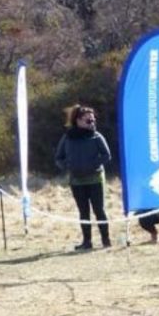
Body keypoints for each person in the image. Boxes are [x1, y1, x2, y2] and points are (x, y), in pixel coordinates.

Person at [55, 104, 112, 251]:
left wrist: (93, 165)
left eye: (93, 120)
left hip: (95, 178)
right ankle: (87, 242)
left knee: (99, 210)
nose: (92, 123)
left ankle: (106, 240)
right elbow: (58, 158)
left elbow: (107, 155)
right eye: (88, 121)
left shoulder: (97, 136)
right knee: (83, 212)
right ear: (78, 121)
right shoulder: (67, 138)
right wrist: (68, 167)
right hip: (76, 180)